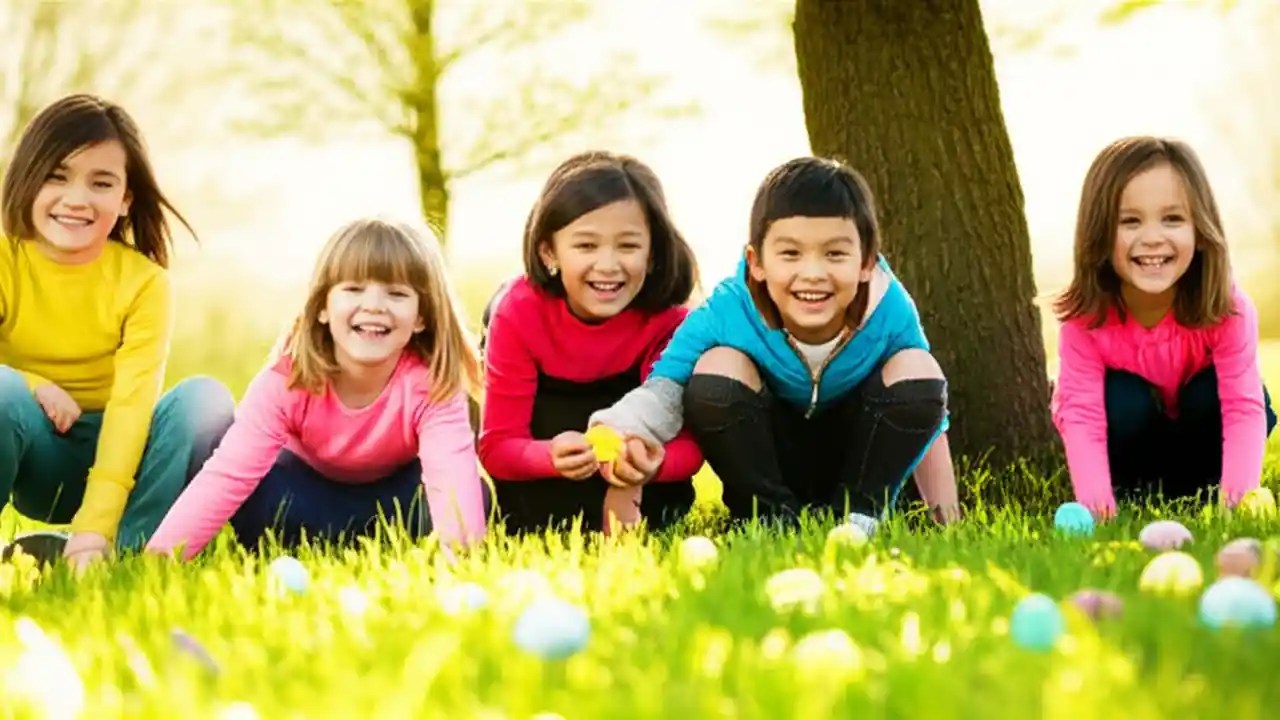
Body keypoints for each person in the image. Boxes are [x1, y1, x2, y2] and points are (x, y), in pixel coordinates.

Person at [589, 156, 960, 535]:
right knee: (718, 367)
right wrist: (618, 430)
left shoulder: (889, 308)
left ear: (866, 262)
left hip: (855, 458)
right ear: (756, 262)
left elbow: (930, 409)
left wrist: (947, 520)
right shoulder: (728, 308)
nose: (813, 273)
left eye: (835, 254)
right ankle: (769, 518)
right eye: (790, 253)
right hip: (772, 458)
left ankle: (860, 519)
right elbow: (666, 385)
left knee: (917, 365)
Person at [146, 217, 488, 560]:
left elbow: (450, 479)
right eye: (353, 289)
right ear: (323, 306)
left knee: (473, 491)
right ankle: (298, 547)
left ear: (421, 318)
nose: (373, 305)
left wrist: (460, 560)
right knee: (231, 459)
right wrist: (160, 559)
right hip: (299, 505)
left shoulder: (433, 386)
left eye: (396, 294)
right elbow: (229, 475)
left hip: (391, 510)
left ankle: (381, 548)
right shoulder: (287, 381)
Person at [0, 94, 235, 569]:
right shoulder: (6, 260)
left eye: (101, 182)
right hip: (34, 454)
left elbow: (132, 408)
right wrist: (33, 385)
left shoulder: (145, 283)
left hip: (119, 457)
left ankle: (125, 554)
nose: (76, 198)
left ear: (126, 199)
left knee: (203, 401)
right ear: (28, 177)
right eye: (56, 175)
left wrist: (92, 533)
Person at [478, 151, 703, 535]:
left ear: (653, 255)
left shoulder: (670, 323)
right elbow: (498, 446)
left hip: (641, 490)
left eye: (628, 246)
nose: (608, 265)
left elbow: (692, 449)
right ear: (549, 252)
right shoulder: (517, 313)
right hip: (545, 487)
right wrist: (548, 457)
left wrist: (654, 464)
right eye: (586, 246)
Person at [1052, 136, 1276, 518]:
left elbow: (1243, 408)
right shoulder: (1085, 321)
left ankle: (1207, 492)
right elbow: (1082, 418)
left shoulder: (1229, 309)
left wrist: (1237, 507)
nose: (1153, 237)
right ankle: (1134, 496)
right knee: (1123, 398)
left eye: (1172, 219)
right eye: (1130, 221)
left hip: (1202, 446)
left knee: (1212, 394)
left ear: (1200, 230)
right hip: (1136, 457)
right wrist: (1098, 512)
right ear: (1100, 234)